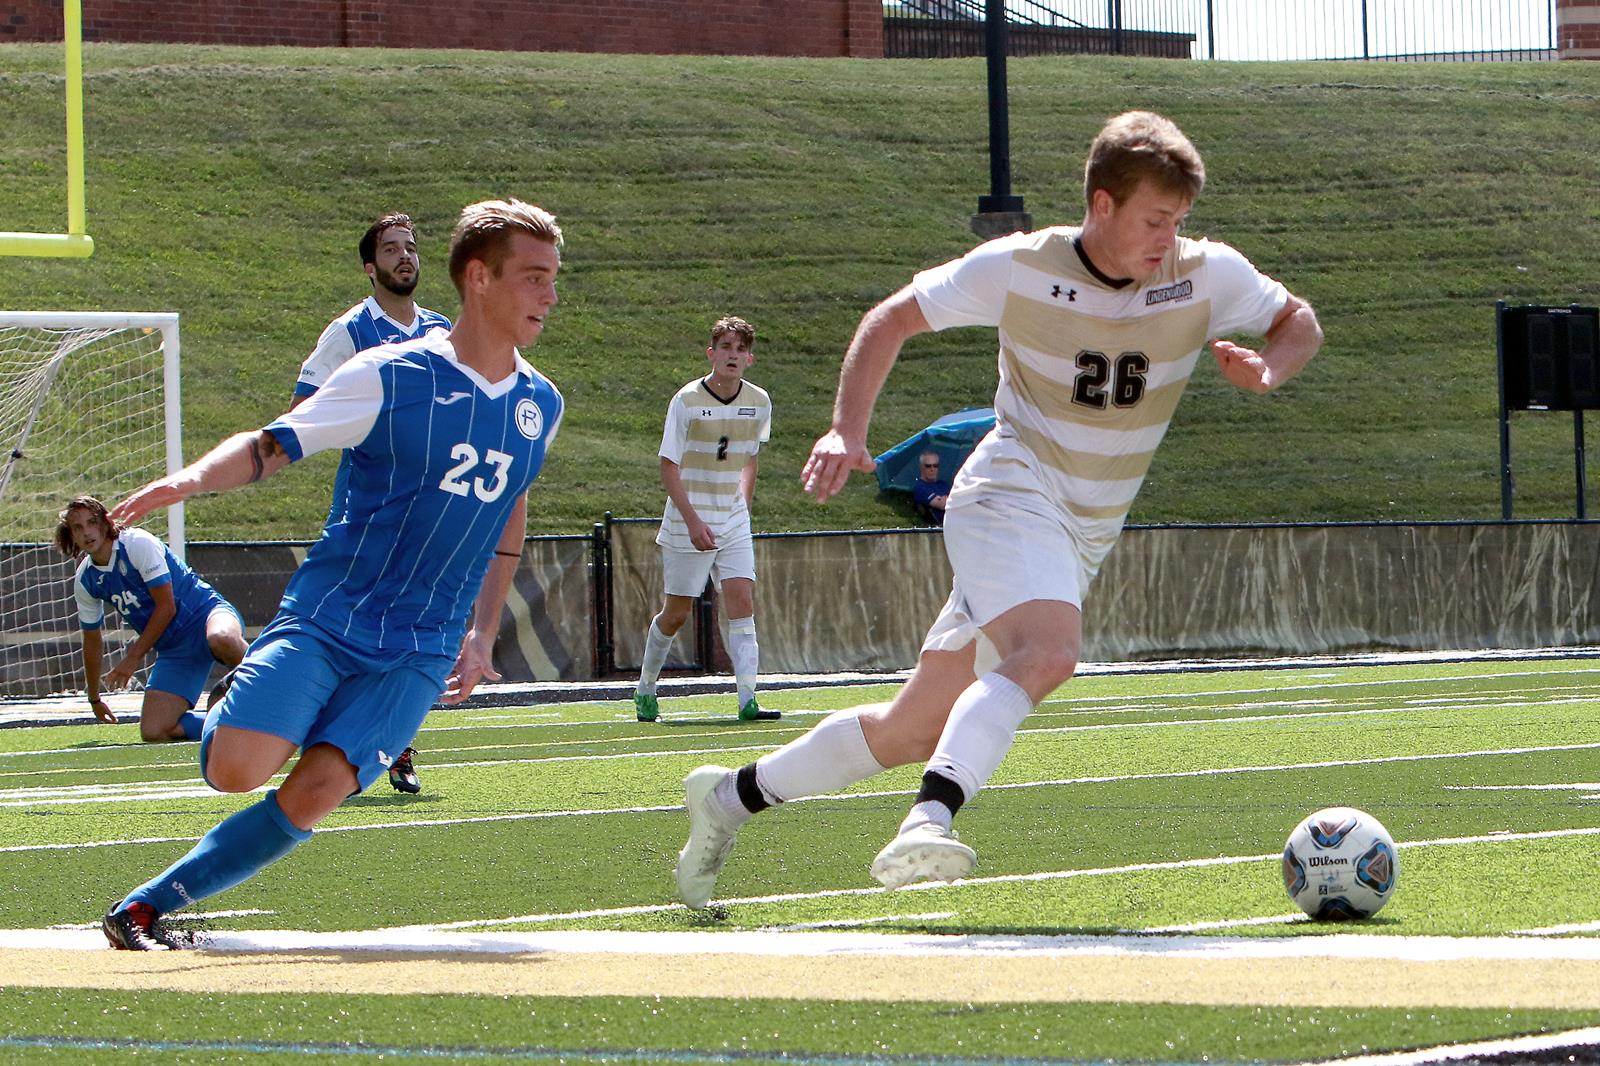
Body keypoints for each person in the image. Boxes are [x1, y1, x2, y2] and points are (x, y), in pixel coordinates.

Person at [671, 111, 1323, 907]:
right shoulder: (1022, 266)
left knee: (911, 729)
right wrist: (847, 429)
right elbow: (892, 318)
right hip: (1008, 495)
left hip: (1079, 536)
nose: (1169, 238)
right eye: (1155, 219)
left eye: (1179, 220)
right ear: (1103, 204)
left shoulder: (1208, 272)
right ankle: (928, 820)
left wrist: (1269, 369)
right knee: (1048, 653)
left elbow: (1297, 320)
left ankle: (728, 799)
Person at [100, 197, 565, 950]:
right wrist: (187, 481)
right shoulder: (389, 374)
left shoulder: (541, 403)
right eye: (534, 276)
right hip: (332, 616)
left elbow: (509, 513)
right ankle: (250, 707)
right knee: (235, 771)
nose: (550, 294)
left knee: (316, 793)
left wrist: (483, 632)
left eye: (553, 277)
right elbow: (273, 444)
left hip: (422, 645)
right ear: (480, 277)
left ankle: (146, 907)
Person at [293, 212, 452, 793]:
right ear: (369, 266)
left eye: (410, 247)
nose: (404, 256)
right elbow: (304, 406)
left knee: (409, 625)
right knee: (351, 620)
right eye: (390, 248)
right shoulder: (351, 331)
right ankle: (320, 724)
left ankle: (391, 743)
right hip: (368, 505)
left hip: (430, 505)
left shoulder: (440, 331)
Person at [633, 316, 778, 724]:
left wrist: (742, 506)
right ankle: (645, 687)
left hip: (732, 518)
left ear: (749, 358)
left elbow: (750, 458)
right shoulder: (686, 400)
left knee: (742, 602)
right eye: (725, 347)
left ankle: (748, 698)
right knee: (676, 613)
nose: (733, 355)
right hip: (689, 517)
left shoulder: (759, 401)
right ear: (711, 353)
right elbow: (668, 466)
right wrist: (694, 521)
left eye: (740, 349)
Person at [55, 496, 247, 743]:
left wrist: (132, 659)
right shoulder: (86, 580)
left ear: (105, 522)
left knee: (222, 638)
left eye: (92, 522)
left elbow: (166, 608)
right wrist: (94, 698)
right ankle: (230, 724)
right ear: (70, 535)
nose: (87, 532)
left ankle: (276, 689)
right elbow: (92, 639)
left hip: (207, 614)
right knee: (155, 730)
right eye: (78, 527)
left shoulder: (136, 544)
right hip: (176, 650)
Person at [910, 451, 951, 526]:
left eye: (935, 466)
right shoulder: (920, 487)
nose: (932, 469)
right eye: (928, 466)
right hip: (939, 526)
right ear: (921, 467)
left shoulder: (943, 484)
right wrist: (951, 499)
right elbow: (942, 504)